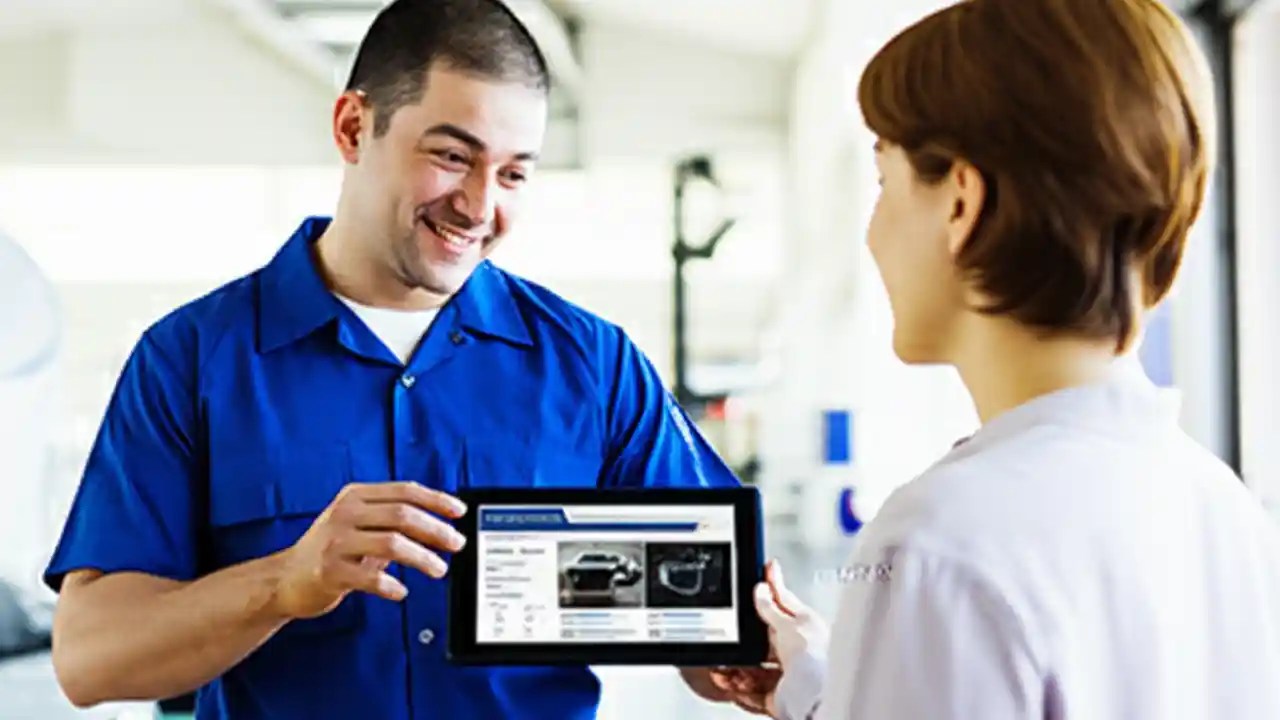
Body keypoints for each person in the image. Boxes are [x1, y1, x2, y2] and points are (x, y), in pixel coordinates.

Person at [42, 1, 740, 718]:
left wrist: (739, 652)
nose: (478, 206)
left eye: (514, 175)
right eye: (451, 156)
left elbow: (708, 602)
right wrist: (285, 582)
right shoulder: (191, 359)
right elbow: (91, 659)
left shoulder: (594, 365)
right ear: (352, 127)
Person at [708, 0, 1280, 718]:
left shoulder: (939, 540)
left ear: (960, 202)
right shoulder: (1221, 507)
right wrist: (829, 688)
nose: (874, 233)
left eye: (885, 183)